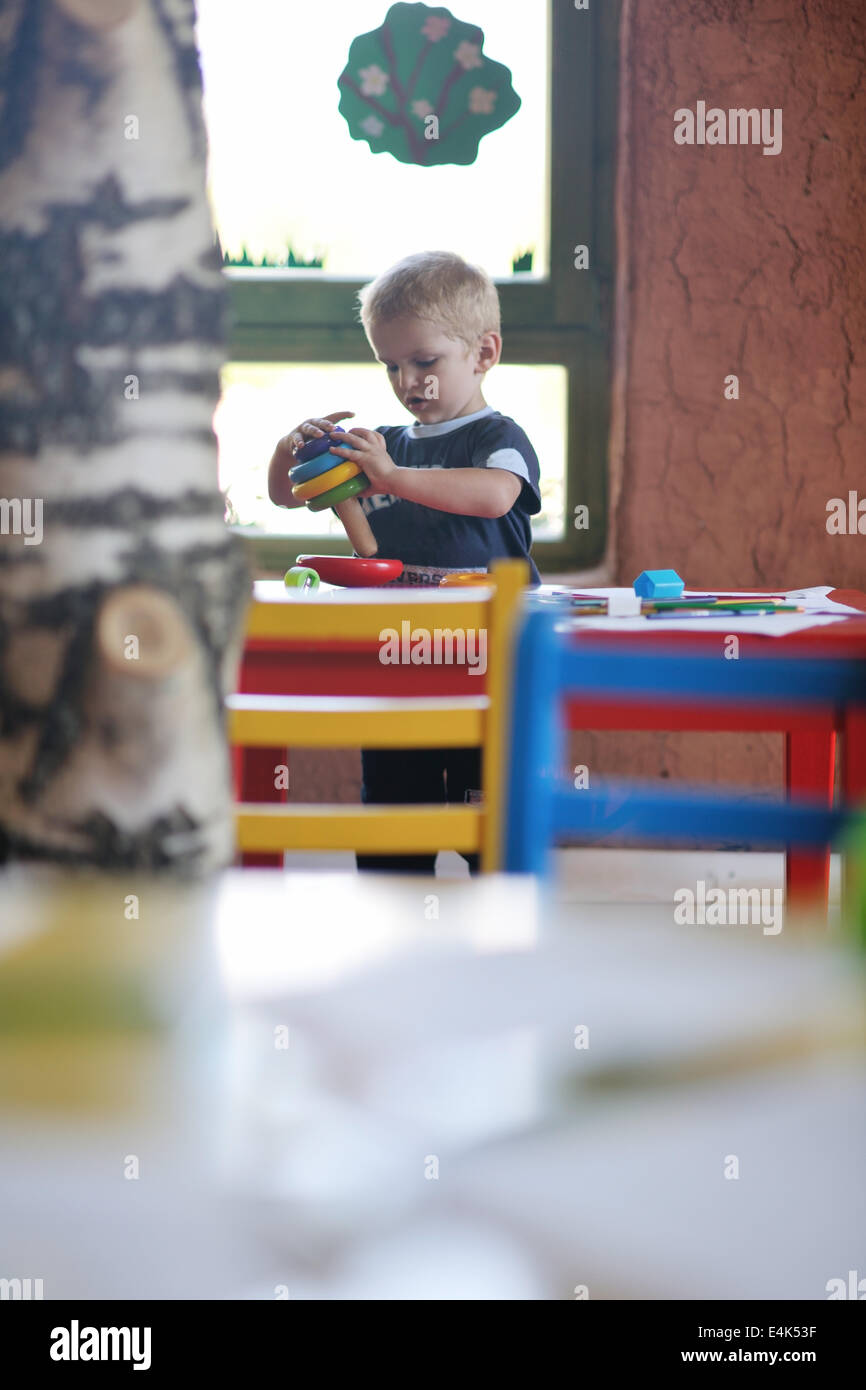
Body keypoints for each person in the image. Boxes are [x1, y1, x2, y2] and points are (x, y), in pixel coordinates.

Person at [267, 250, 542, 873]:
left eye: (425, 361)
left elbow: (496, 497)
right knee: (394, 817)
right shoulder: (381, 446)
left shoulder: (496, 438)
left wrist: (393, 476)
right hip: (399, 660)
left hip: (487, 664)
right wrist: (292, 447)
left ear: (484, 354)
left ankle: (497, 942)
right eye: (390, 364)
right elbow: (288, 494)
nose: (407, 380)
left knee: (490, 821)